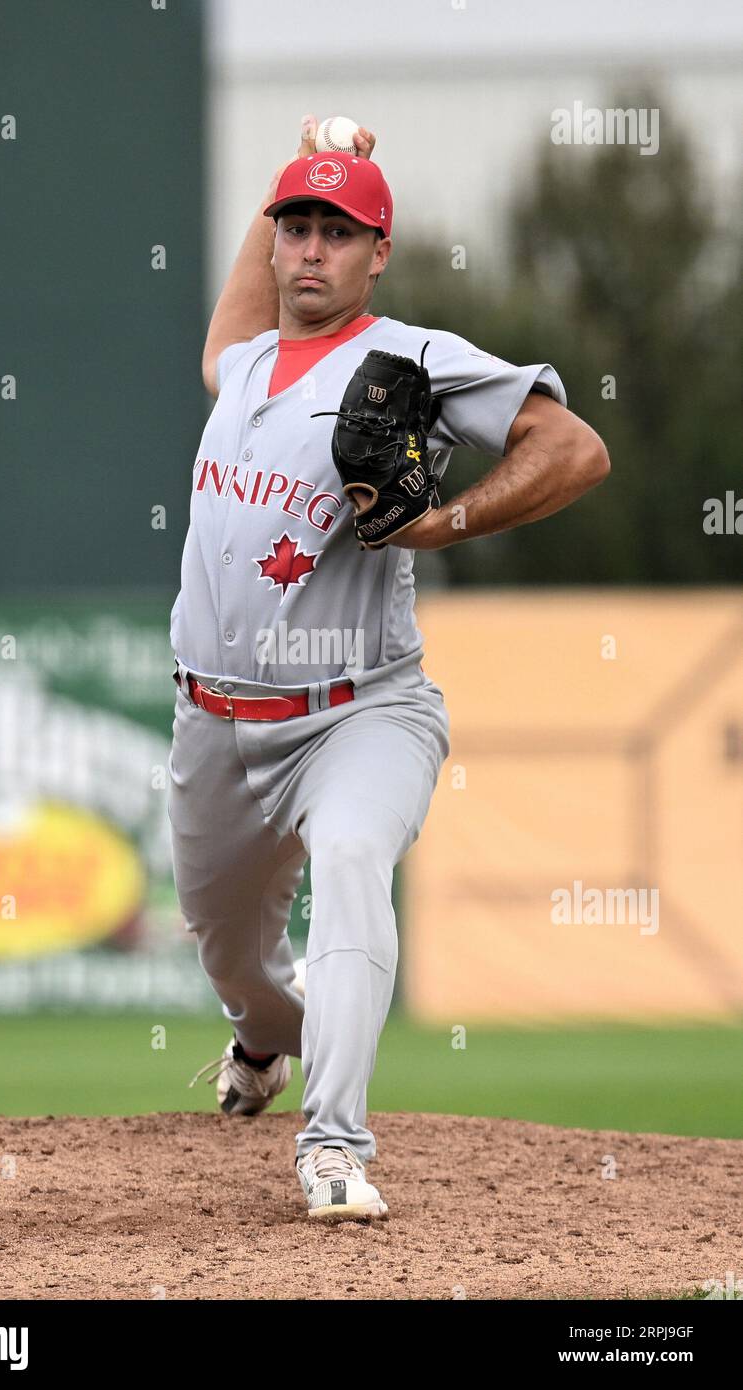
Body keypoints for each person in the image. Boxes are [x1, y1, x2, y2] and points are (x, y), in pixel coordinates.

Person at [174, 115, 610, 1222]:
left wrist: (442, 520)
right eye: (294, 228)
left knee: (355, 860)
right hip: (215, 723)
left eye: (337, 231)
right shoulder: (248, 367)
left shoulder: (409, 356)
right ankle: (269, 1036)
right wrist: (293, 161)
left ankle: (333, 1146)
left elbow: (573, 448)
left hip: (359, 710)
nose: (309, 250)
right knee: (232, 955)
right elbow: (226, 317)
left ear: (378, 252)